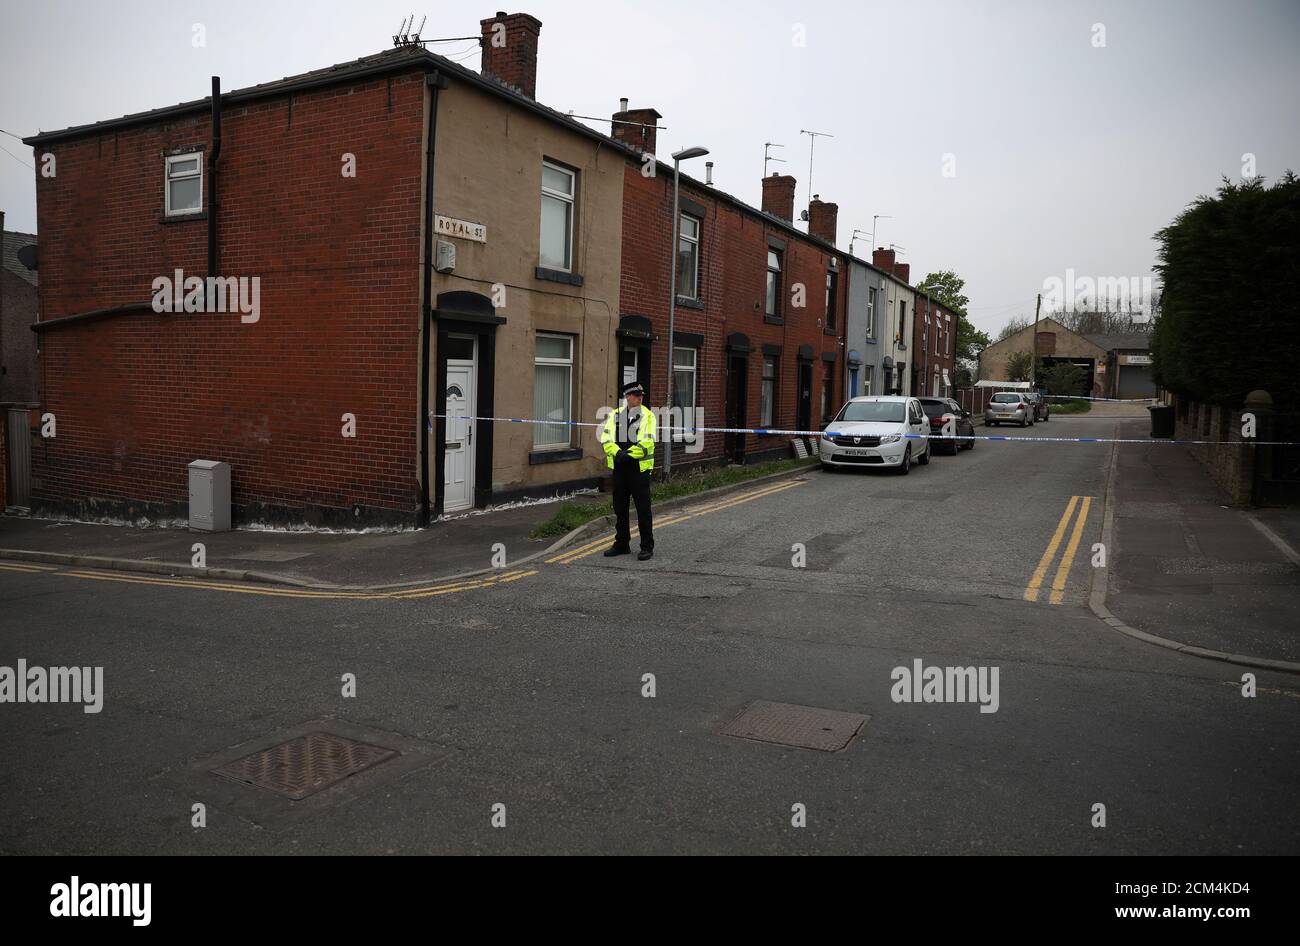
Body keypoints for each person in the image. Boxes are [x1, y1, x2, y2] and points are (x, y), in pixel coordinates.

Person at [599, 381, 656, 560]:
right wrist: (618, 453)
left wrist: (628, 455)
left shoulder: (648, 416)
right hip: (620, 469)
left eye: (641, 395)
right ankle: (622, 543)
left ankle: (646, 546)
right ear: (627, 397)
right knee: (620, 508)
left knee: (643, 509)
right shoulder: (615, 415)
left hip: (638, 469)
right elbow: (606, 438)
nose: (640, 398)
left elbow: (647, 441)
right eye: (636, 395)